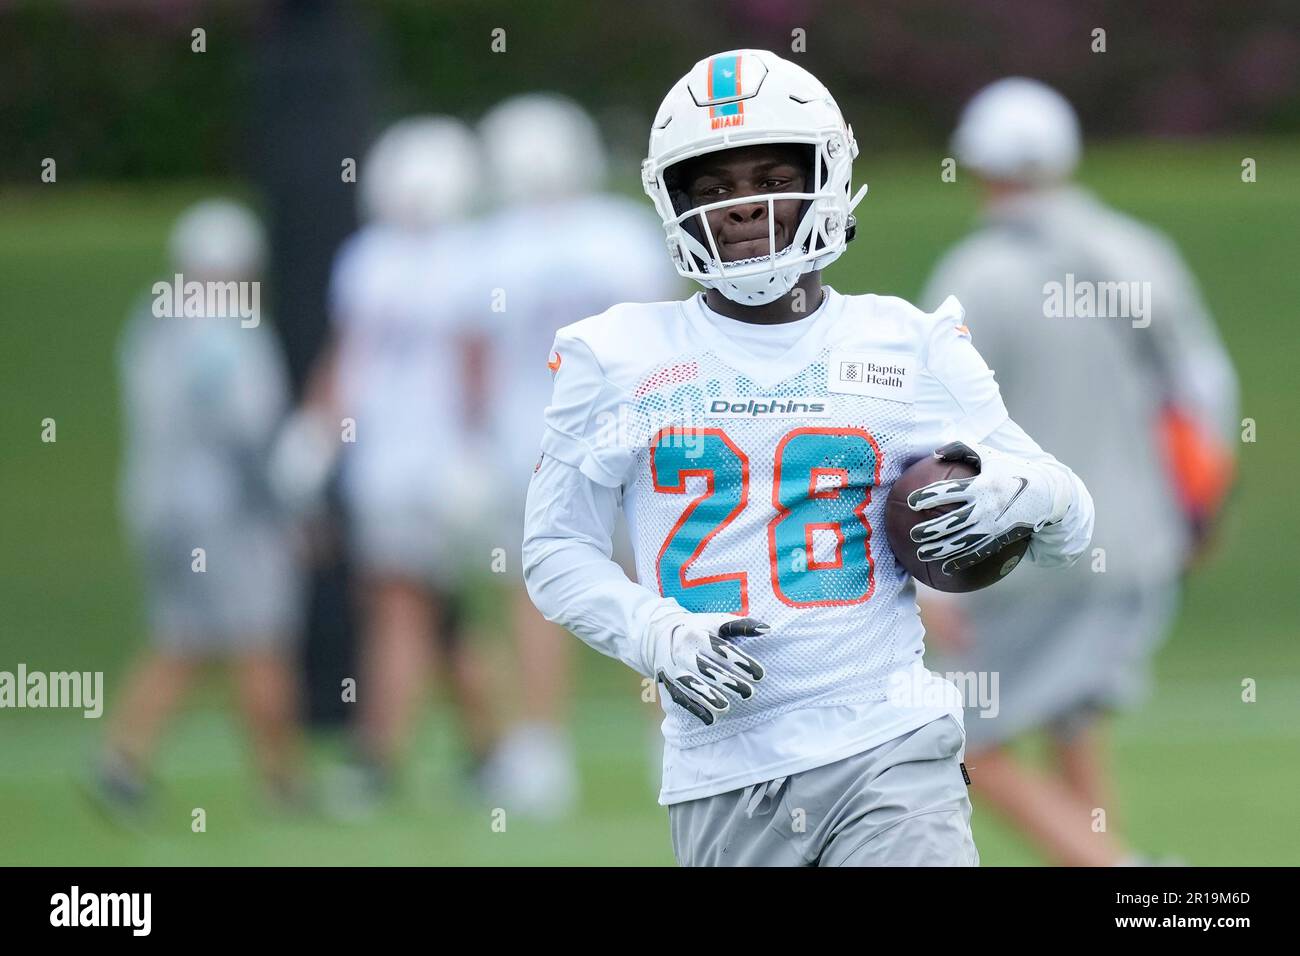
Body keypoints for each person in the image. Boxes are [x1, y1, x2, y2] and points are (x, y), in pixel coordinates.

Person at [522, 50, 1095, 866]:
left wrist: (1026, 493)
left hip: (888, 739)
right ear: (675, 203)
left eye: (772, 178)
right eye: (714, 187)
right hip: (724, 769)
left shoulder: (909, 342)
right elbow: (553, 549)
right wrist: (652, 631)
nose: (743, 206)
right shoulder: (616, 357)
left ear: (827, 179)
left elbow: (1072, 519)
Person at [918, 77, 1239, 866]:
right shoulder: (1140, 254)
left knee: (956, 742)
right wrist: (1198, 512)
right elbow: (1204, 392)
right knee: (1073, 722)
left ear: (978, 164)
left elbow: (932, 432)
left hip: (1023, 560)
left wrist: (931, 582)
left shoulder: (976, 276)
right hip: (1136, 545)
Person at [276, 117, 500, 814]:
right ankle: (495, 750)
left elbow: (478, 361)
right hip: (380, 460)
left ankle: (375, 758)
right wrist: (315, 428)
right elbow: (349, 354)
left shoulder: (469, 256)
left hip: (436, 462)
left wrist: (473, 446)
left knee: (397, 603)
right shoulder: (368, 257)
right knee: (431, 609)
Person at [474, 93, 681, 818]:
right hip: (631, 431)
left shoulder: (492, 243)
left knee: (538, 592)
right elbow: (668, 333)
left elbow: (473, 358)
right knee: (649, 580)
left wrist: (468, 441)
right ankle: (673, 731)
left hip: (531, 441)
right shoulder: (623, 232)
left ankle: (541, 751)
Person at [97, 199, 305, 821]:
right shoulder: (228, 330)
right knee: (260, 636)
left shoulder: (152, 319)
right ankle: (281, 780)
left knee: (181, 636)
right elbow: (243, 431)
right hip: (222, 511)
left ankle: (120, 760)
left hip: (156, 502)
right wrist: (285, 509)